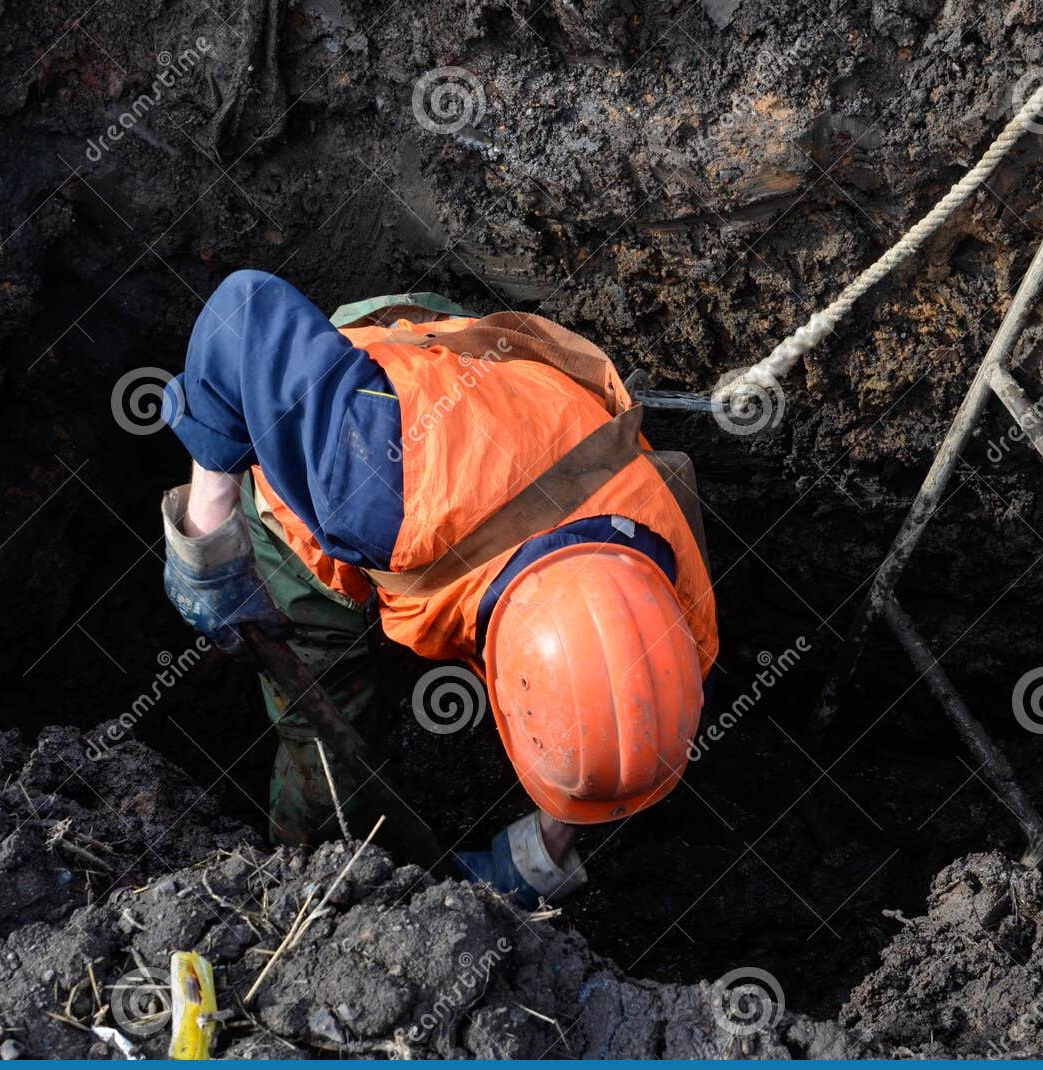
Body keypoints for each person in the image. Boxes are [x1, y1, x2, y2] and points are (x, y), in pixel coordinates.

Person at [159, 270, 717, 907]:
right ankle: (305, 872)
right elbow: (243, 313)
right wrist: (207, 538)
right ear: (499, 690)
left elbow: (621, 727)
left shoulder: (678, 620)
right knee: (324, 701)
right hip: (364, 402)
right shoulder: (369, 485)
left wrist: (543, 852)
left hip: (488, 381)